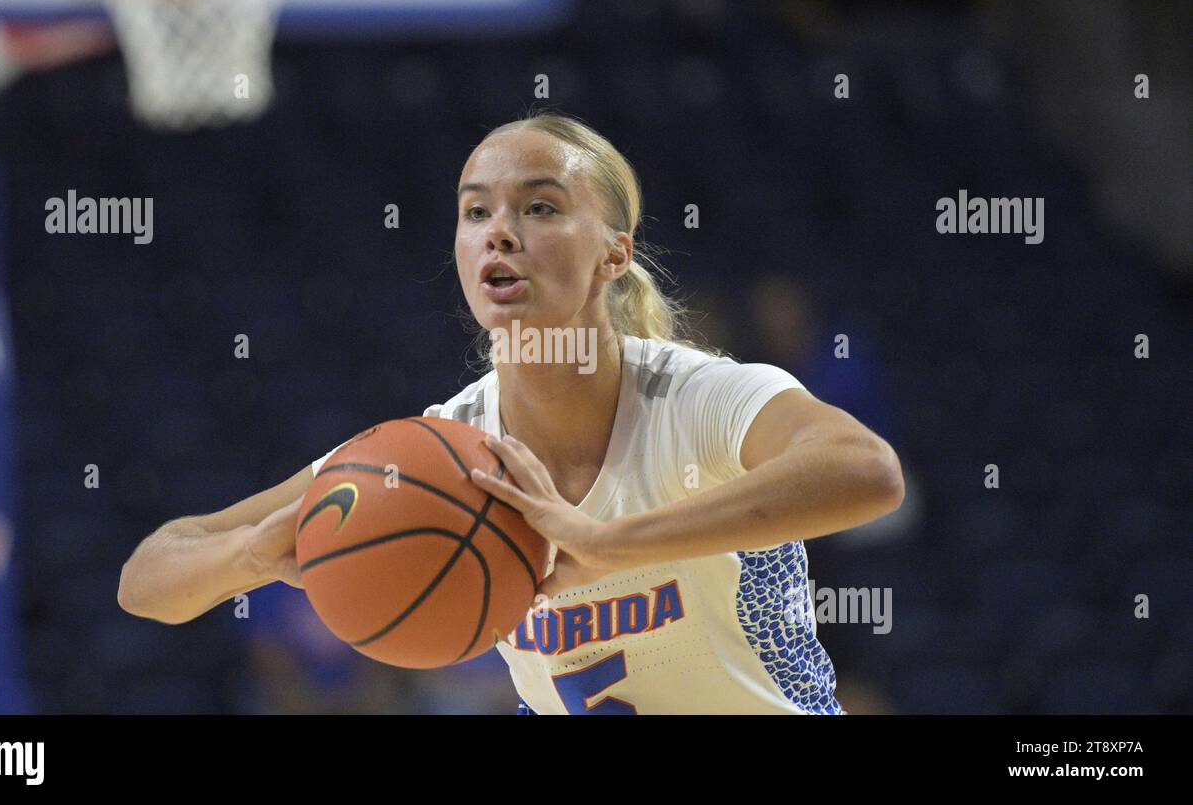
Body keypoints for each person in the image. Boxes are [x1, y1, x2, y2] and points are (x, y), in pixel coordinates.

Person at [117, 111, 905, 714]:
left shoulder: (694, 395)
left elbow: (867, 471)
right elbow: (149, 577)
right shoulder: (432, 456)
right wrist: (251, 554)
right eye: (475, 212)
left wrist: (607, 544)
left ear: (614, 252)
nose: (500, 230)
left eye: (540, 207)